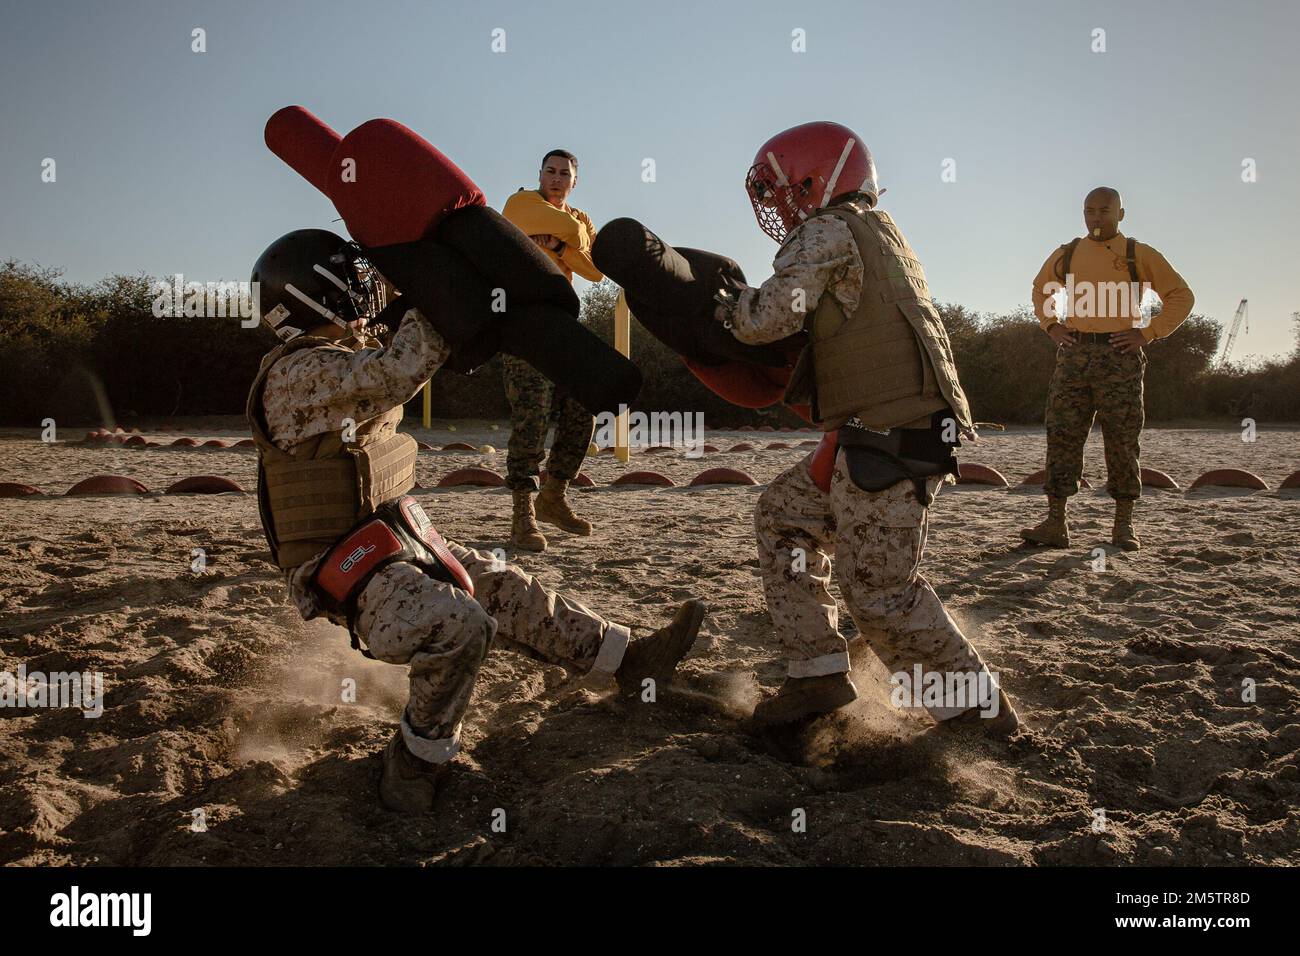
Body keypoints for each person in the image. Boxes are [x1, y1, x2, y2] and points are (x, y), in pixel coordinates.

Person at [245, 229, 705, 812]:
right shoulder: (297, 373)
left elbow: (403, 355)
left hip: (389, 540)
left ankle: (624, 661)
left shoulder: (333, 360)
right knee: (460, 625)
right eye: (355, 278)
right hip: (341, 566)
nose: (368, 288)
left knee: (501, 586)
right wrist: (437, 285)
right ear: (320, 294)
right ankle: (415, 761)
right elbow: (402, 366)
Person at [711, 122, 1018, 735]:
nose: (775, 205)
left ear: (813, 179)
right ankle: (818, 673)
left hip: (892, 438)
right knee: (783, 516)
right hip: (883, 432)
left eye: (779, 190)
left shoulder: (827, 230)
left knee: (878, 594)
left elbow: (769, 317)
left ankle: (978, 714)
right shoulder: (879, 232)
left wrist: (719, 306)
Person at [1023, 187, 1194, 551]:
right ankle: (1056, 524)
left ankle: (1123, 527)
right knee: (1062, 435)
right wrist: (1052, 325)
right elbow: (1041, 290)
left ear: (1121, 213)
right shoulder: (1067, 254)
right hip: (1074, 357)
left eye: (1104, 210)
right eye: (1089, 210)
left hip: (1120, 359)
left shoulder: (1138, 254)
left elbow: (1181, 296)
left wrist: (1148, 332)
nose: (1096, 217)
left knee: (1122, 440)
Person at [499, 150, 603, 552]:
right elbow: (576, 240)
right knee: (532, 412)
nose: (557, 178)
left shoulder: (581, 217)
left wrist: (554, 244)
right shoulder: (521, 202)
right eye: (551, 171)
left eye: (565, 174)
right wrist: (568, 240)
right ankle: (522, 514)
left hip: (561, 321)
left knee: (586, 400)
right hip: (522, 321)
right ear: (539, 174)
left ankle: (552, 495)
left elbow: (595, 270)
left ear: (575, 181)